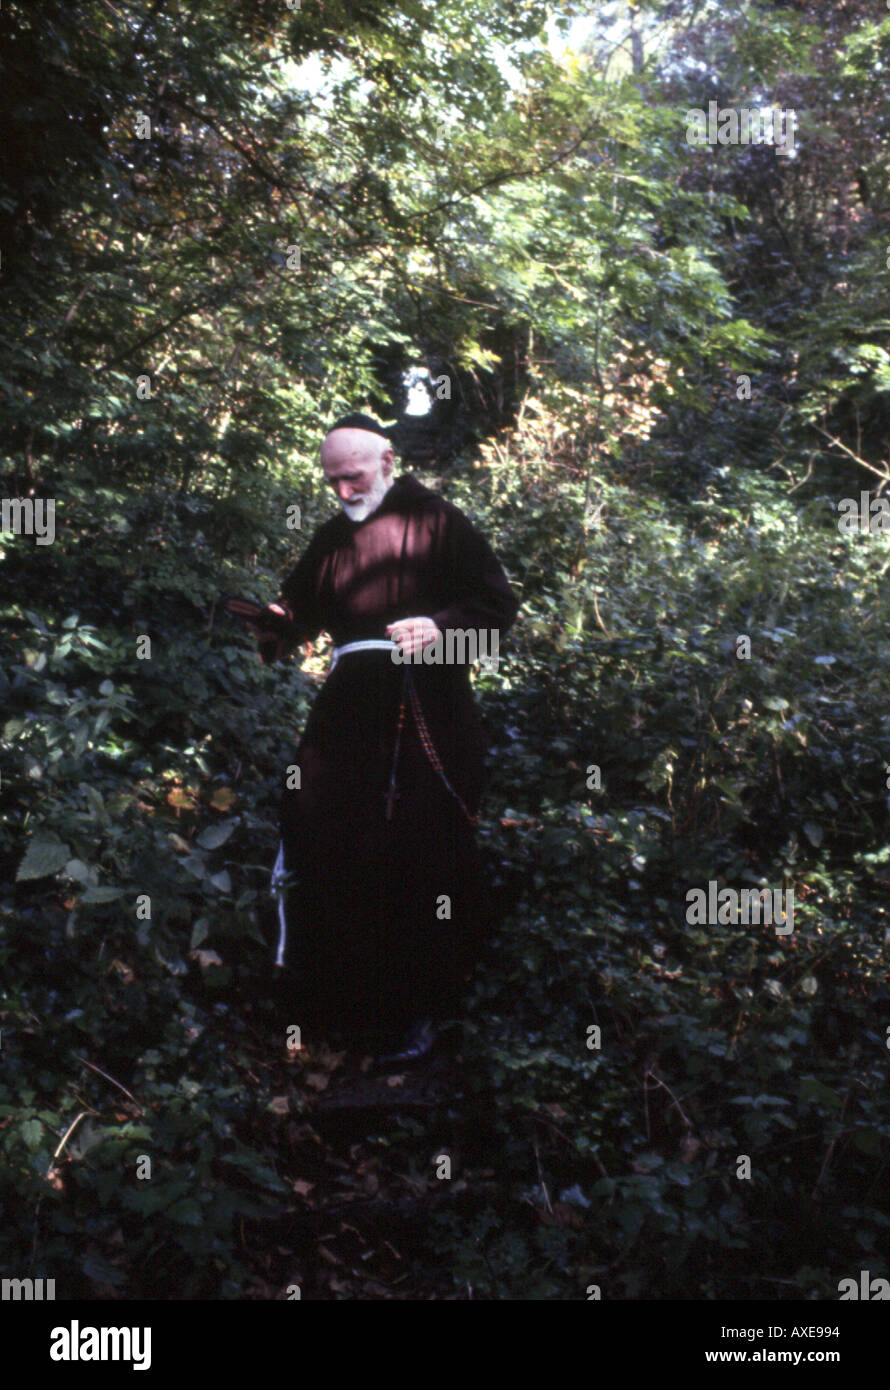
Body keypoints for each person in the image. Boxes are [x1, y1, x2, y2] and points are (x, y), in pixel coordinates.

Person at [250, 412, 519, 1063]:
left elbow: (497, 612)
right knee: (322, 827)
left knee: (420, 845)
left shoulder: (438, 523)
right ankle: (335, 1005)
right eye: (333, 480)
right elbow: (298, 613)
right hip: (347, 711)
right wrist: (275, 621)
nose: (344, 491)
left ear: (389, 461)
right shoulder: (332, 537)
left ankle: (421, 1013)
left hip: (427, 705)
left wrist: (442, 628)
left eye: (355, 476)